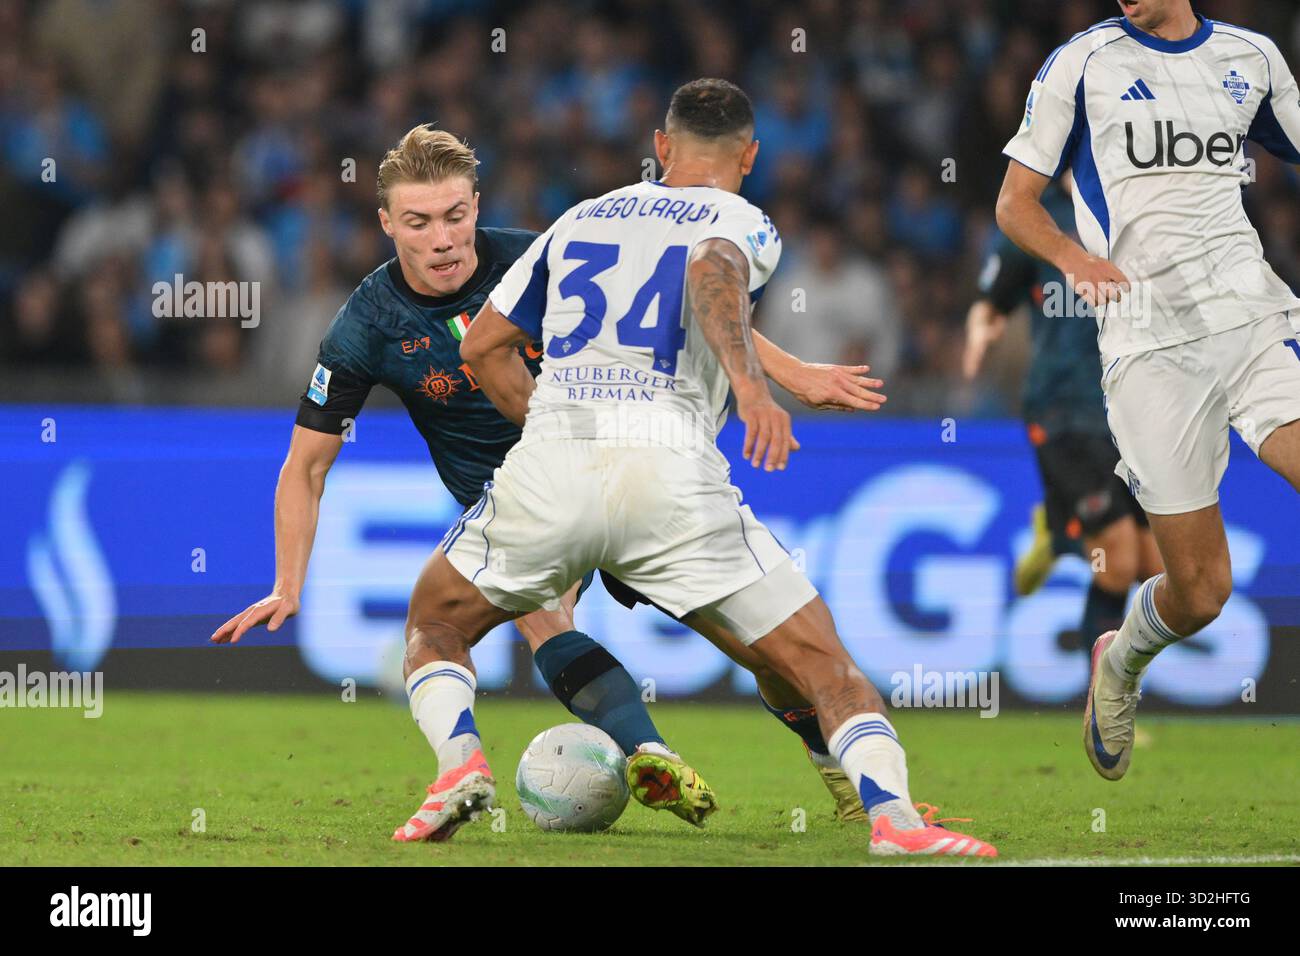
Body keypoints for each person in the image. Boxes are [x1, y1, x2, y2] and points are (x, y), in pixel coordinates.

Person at [210, 124, 890, 837]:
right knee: (543, 617)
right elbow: (307, 465)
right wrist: (289, 583)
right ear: (387, 224)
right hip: (522, 498)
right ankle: (647, 750)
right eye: (418, 223)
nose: (442, 239)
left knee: (761, 650)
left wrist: (789, 373)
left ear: (476, 205)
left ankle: (825, 764)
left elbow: (684, 300)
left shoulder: (540, 254)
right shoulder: (367, 324)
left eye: (455, 215)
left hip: (619, 466)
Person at [411, 79, 998, 856]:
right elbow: (712, 272)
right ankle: (894, 818)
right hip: (670, 475)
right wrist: (755, 390)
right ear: (750, 156)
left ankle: (457, 767)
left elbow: (481, 347)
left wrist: (547, 424)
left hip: (553, 468)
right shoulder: (738, 218)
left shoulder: (580, 219)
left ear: (660, 147)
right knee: (824, 667)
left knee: (437, 623)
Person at [995, 1, 1300, 780]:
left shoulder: (1251, 58)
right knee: (1201, 592)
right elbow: (1013, 202)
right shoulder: (1081, 63)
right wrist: (1073, 258)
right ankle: (1121, 661)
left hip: (1249, 315)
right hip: (1147, 342)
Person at [964, 177, 1163, 651]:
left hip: (1132, 410)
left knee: (1153, 566)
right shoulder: (1035, 215)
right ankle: (1103, 707)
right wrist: (980, 332)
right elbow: (992, 301)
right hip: (1063, 408)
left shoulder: (1137, 205)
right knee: (1116, 557)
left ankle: (1060, 534)